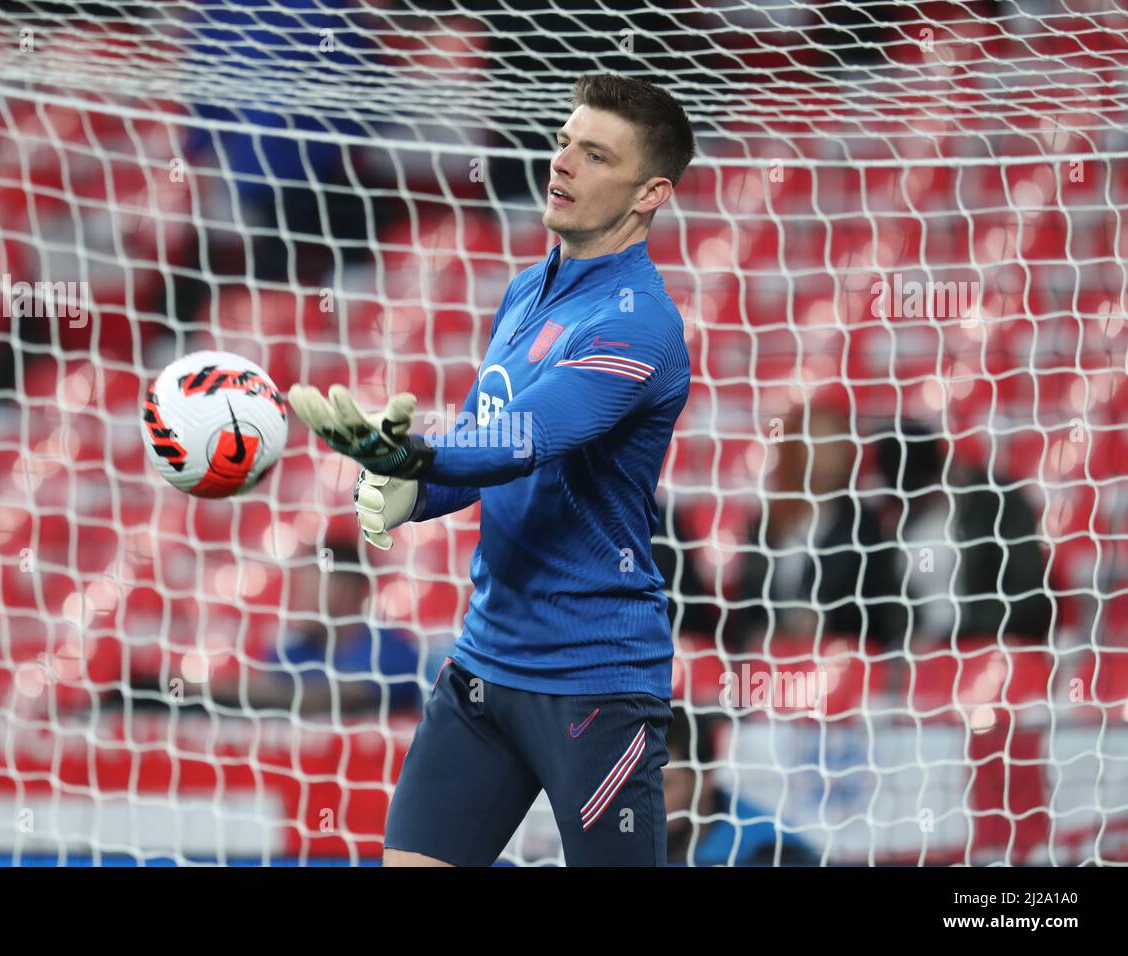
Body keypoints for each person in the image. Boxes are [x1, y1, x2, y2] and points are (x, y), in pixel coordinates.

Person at [287, 73, 695, 866]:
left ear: (651, 194)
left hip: (594, 679)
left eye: (596, 155)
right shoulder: (524, 292)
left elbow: (525, 438)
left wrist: (414, 454)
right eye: (566, 141)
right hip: (484, 662)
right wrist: (412, 489)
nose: (564, 164)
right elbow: (482, 443)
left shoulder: (642, 324)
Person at [727, 394, 907, 652]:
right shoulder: (766, 525)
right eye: (821, 441)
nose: (831, 454)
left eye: (837, 442)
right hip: (771, 664)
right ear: (796, 448)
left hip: (837, 662)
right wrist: (758, 634)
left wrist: (826, 621)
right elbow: (747, 604)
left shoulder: (863, 526)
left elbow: (878, 607)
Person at [875, 421, 1053, 643]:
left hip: (987, 649)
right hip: (918, 654)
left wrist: (951, 636)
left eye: (921, 492)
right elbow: (893, 607)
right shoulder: (897, 521)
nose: (915, 502)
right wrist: (909, 634)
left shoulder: (997, 503)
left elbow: (1026, 597)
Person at [214, 540, 425, 716]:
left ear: (346, 591)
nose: (297, 601)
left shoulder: (391, 651)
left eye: (308, 590)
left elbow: (336, 698)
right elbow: (260, 689)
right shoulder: (292, 652)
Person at [664, 706, 818, 865]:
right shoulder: (639, 836)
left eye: (664, 784)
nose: (648, 797)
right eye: (639, 784)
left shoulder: (771, 850)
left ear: (704, 777)